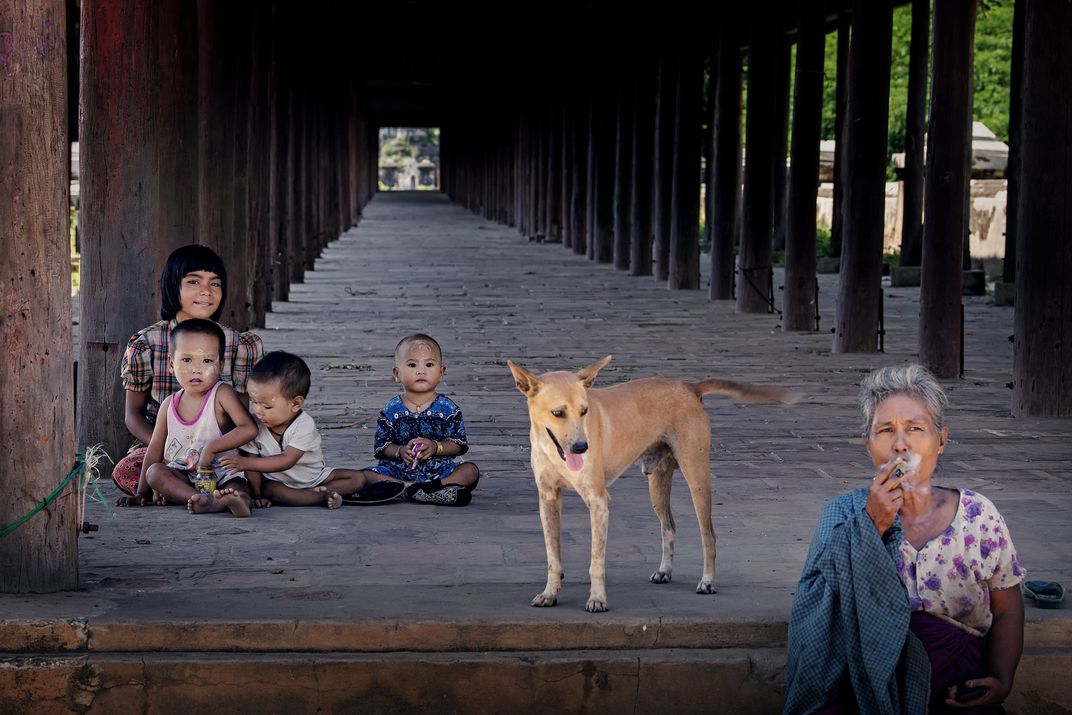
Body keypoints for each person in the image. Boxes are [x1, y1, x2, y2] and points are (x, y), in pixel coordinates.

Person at [784, 365, 1025, 714]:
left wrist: (1003, 679)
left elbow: (1009, 611)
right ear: (868, 444)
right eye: (885, 430)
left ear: (940, 440)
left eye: (915, 428)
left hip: (955, 688)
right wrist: (872, 526)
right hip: (865, 685)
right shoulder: (841, 515)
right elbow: (817, 615)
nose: (900, 444)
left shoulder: (979, 516)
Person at [111, 245, 263, 495]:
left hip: (220, 448)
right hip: (165, 446)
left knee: (264, 464)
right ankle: (193, 492)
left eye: (215, 284)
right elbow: (133, 415)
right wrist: (171, 448)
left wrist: (213, 450)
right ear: (173, 287)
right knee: (129, 471)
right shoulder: (147, 343)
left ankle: (191, 491)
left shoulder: (239, 345)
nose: (206, 291)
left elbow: (241, 419)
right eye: (194, 281)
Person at [219, 351, 398, 509]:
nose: (258, 411)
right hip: (279, 482)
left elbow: (287, 460)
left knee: (357, 479)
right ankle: (321, 497)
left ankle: (319, 493)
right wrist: (257, 495)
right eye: (254, 402)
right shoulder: (254, 425)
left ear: (295, 403)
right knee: (272, 490)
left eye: (266, 406)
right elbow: (252, 462)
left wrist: (244, 464)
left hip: (316, 477)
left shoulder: (304, 424)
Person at [115, 320, 259, 517]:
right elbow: (154, 450)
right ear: (172, 365)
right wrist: (141, 493)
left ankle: (237, 502)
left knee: (238, 487)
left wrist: (212, 448)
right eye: (187, 360)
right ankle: (203, 500)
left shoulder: (222, 394)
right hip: (184, 475)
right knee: (155, 473)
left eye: (207, 361)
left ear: (221, 365)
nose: (196, 369)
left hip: (222, 473)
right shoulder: (168, 405)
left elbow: (249, 428)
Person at [363, 334, 479, 506]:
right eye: (412, 365)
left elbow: (458, 444)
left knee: (470, 471)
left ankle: (430, 488)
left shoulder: (448, 409)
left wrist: (435, 447)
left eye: (429, 364)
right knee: (366, 475)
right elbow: (382, 446)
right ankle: (410, 488)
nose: (421, 371)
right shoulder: (391, 409)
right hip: (398, 470)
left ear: (441, 372)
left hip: (439, 471)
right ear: (397, 373)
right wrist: (400, 451)